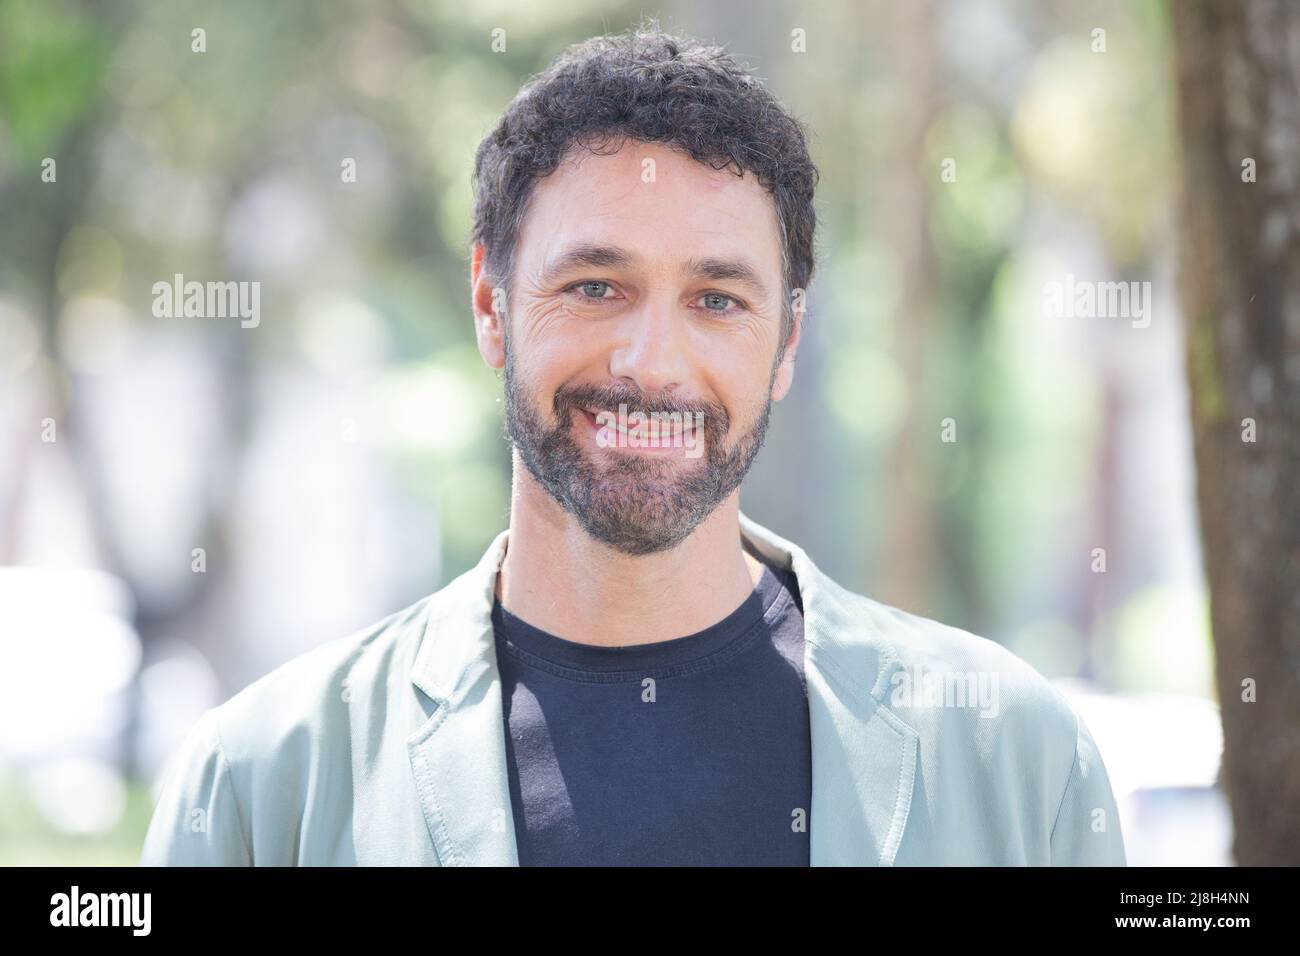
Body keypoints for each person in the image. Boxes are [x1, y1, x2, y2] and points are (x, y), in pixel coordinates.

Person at [141, 24, 1126, 867]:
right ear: (491, 303)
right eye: (596, 285)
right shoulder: (262, 784)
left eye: (716, 299)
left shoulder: (1015, 757)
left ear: (785, 340)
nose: (652, 362)